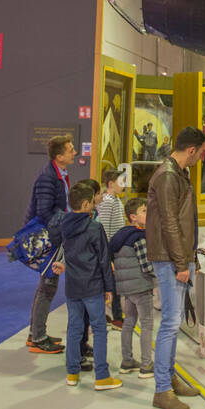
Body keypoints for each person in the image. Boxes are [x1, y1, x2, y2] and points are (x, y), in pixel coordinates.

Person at [146, 126, 205, 409]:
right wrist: (181, 263)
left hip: (178, 257)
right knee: (170, 324)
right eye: (202, 152)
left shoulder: (177, 174)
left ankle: (169, 378)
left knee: (174, 321)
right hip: (170, 260)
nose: (202, 158)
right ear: (192, 150)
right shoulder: (169, 176)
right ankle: (161, 389)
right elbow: (170, 223)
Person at [59, 181, 121, 392]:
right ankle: (102, 376)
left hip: (72, 286)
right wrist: (109, 288)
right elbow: (104, 260)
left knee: (74, 328)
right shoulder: (94, 227)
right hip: (93, 286)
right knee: (99, 329)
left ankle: (72, 373)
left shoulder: (63, 226)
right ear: (86, 204)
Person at [25, 135, 75, 354]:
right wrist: (70, 220)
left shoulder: (59, 174)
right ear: (59, 156)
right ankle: (38, 337)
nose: (75, 152)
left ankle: (35, 333)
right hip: (49, 238)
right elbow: (44, 212)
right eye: (71, 149)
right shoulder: (49, 177)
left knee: (45, 285)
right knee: (48, 286)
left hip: (54, 236)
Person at [110, 198, 154, 378]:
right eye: (144, 211)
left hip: (126, 289)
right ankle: (146, 364)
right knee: (147, 324)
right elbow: (147, 266)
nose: (148, 213)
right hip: (141, 287)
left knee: (129, 322)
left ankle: (127, 361)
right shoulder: (140, 237)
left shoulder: (122, 236)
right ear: (133, 217)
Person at [97, 168, 127, 329]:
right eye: (121, 182)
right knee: (111, 285)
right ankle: (116, 316)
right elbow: (104, 229)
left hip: (116, 248)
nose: (124, 185)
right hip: (110, 250)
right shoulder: (107, 202)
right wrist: (107, 255)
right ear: (110, 184)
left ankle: (113, 315)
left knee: (114, 284)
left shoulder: (116, 200)